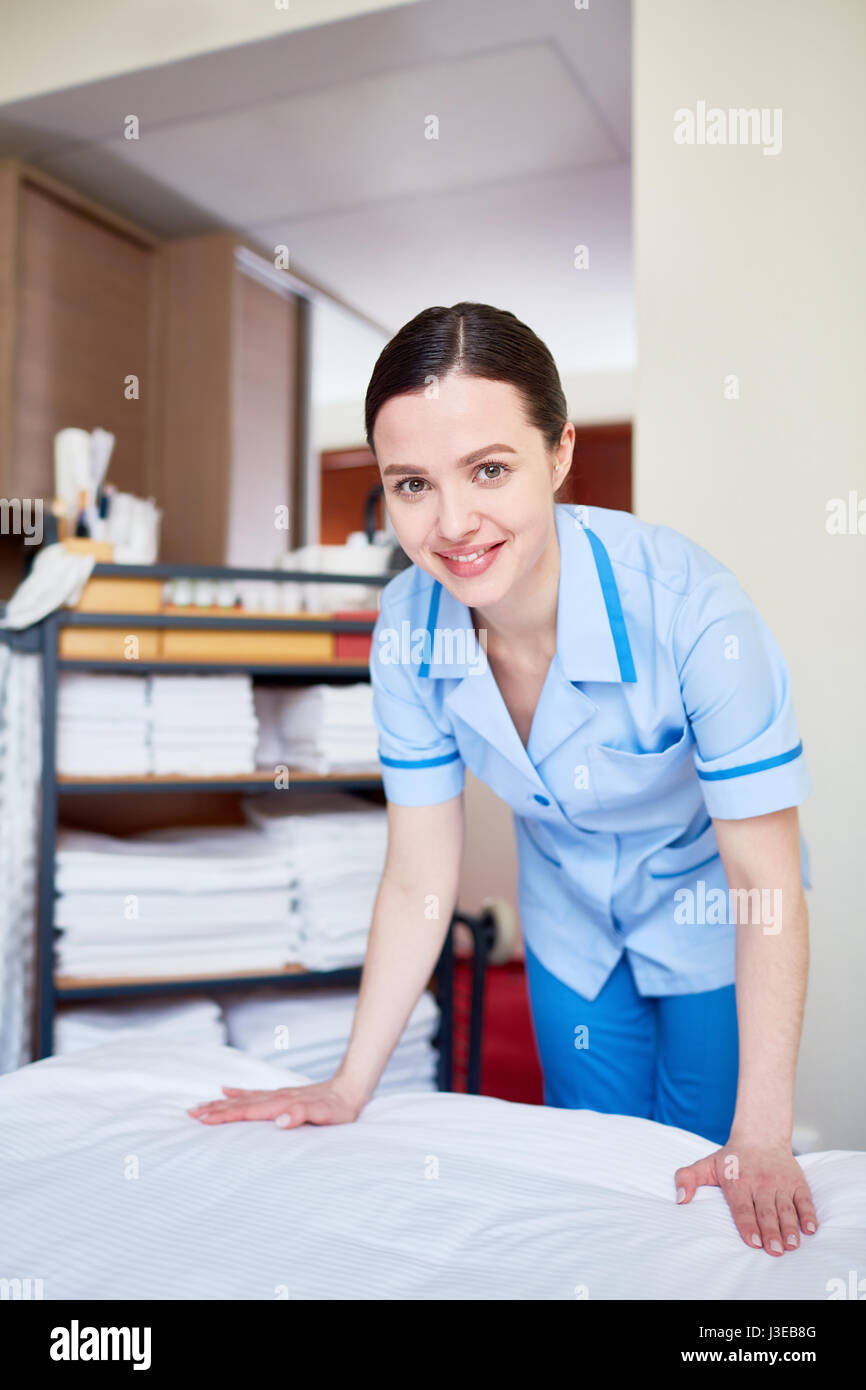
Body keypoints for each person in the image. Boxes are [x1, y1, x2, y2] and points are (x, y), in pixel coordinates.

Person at [189, 302, 818, 1257]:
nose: (452, 524)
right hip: (567, 921)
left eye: (489, 469)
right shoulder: (407, 626)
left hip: (710, 924)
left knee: (712, 1177)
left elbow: (764, 884)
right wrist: (350, 1083)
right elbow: (418, 876)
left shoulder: (693, 612)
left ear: (559, 453)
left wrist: (766, 1137)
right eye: (411, 483)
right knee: (606, 1182)